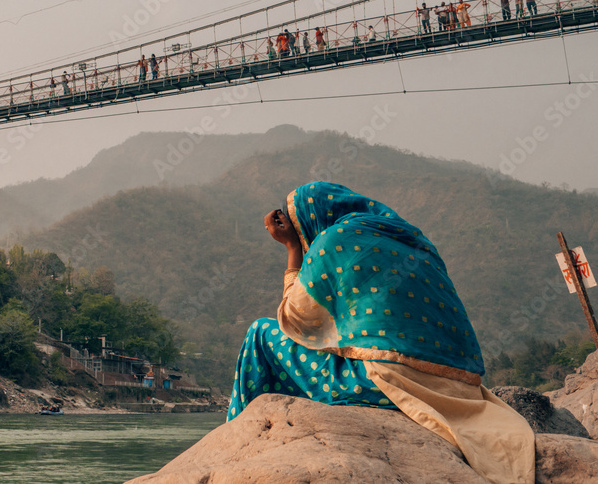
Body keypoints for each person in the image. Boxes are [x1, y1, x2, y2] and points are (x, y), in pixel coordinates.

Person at [228, 182, 534, 483]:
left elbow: (295, 318)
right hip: (457, 388)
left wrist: (294, 248)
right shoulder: (410, 238)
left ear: (308, 220)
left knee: (260, 333)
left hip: (384, 385)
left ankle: (236, 449)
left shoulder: (333, 241)